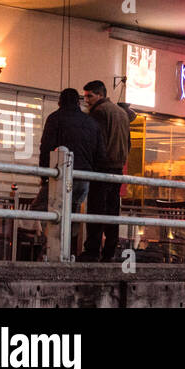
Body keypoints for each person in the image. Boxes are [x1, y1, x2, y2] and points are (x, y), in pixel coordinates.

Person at [78, 80, 130, 262]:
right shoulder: (121, 113)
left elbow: (96, 141)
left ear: (100, 95)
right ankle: (109, 251)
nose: (86, 100)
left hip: (102, 168)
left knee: (96, 210)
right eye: (85, 96)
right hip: (118, 168)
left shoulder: (99, 112)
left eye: (89, 96)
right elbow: (128, 143)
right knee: (112, 212)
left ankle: (92, 250)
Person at [38, 88, 105, 217]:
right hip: (83, 177)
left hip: (60, 174)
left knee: (40, 209)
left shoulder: (54, 118)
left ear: (59, 102)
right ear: (78, 103)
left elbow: (46, 148)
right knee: (72, 212)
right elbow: (100, 153)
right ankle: (70, 237)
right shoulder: (91, 122)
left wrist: (44, 174)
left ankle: (34, 236)